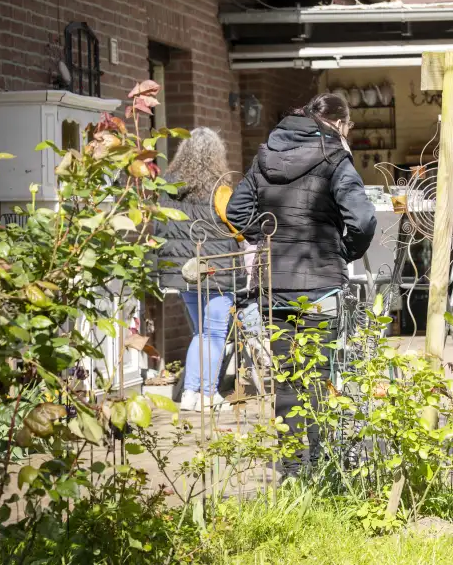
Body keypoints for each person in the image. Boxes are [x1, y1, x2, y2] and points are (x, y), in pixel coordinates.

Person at [226, 93, 377, 478]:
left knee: (286, 378)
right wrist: (343, 251)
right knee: (320, 375)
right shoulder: (335, 157)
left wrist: (269, 240)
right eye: (348, 126)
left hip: (273, 285)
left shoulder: (266, 156)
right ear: (339, 123)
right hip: (321, 284)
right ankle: (321, 465)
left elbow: (236, 211)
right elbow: (362, 220)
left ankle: (293, 468)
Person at [153, 128, 242, 412]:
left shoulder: (167, 189)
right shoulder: (220, 190)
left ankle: (190, 393)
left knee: (201, 332)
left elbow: (160, 228)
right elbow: (239, 228)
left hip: (184, 272)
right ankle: (208, 394)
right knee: (214, 333)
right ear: (217, 156)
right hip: (217, 271)